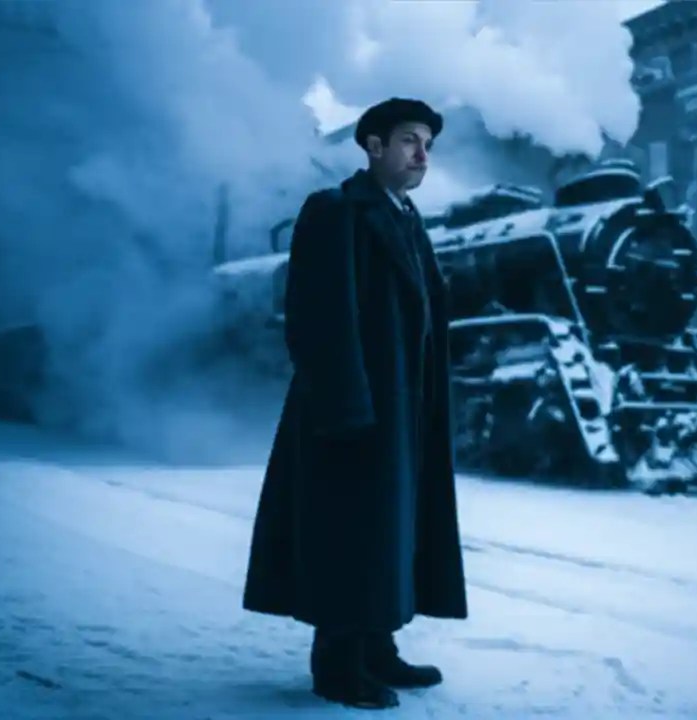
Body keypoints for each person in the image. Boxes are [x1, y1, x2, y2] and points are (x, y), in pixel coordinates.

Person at [241, 97, 469, 710]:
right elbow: (319, 319)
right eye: (409, 141)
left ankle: (377, 647)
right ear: (372, 146)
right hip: (354, 408)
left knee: (391, 533)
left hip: (404, 408)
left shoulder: (406, 216)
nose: (423, 155)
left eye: (427, 144)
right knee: (350, 533)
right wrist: (347, 407)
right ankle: (337, 664)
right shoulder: (335, 211)